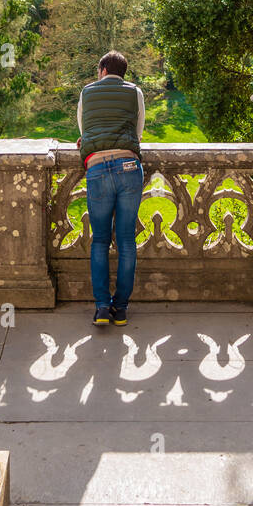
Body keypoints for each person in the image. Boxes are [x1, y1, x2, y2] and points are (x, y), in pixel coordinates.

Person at [76, 50, 145, 326]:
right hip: (128, 167)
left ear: (103, 70)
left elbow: (84, 131)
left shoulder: (86, 92)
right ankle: (122, 308)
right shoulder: (135, 92)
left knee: (100, 240)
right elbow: (138, 133)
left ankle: (102, 307)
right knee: (126, 240)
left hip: (97, 168)